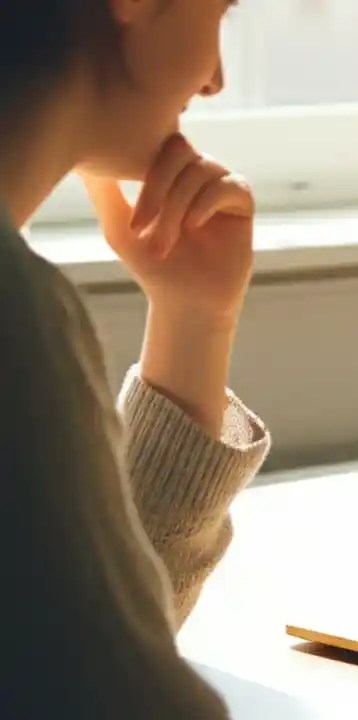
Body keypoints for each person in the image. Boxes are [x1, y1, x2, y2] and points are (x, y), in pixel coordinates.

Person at [2, 0, 271, 716]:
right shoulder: (16, 317)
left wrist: (195, 323)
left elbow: (83, 647)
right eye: (220, 11)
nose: (214, 77)